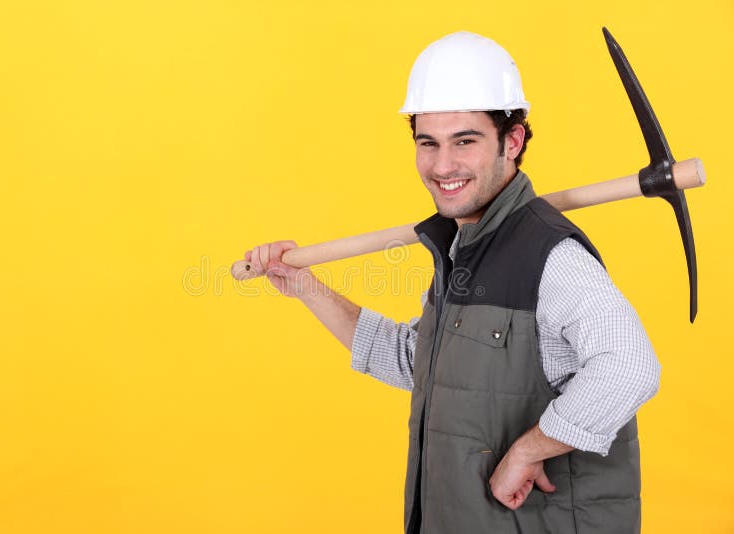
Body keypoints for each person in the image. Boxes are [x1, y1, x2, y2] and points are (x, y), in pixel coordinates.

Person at [243, 31, 659, 534]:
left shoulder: (551, 256)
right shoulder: (465, 249)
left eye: (465, 141)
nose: (442, 166)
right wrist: (304, 285)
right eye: (428, 143)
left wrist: (529, 451)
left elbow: (630, 366)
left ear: (512, 141)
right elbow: (418, 363)